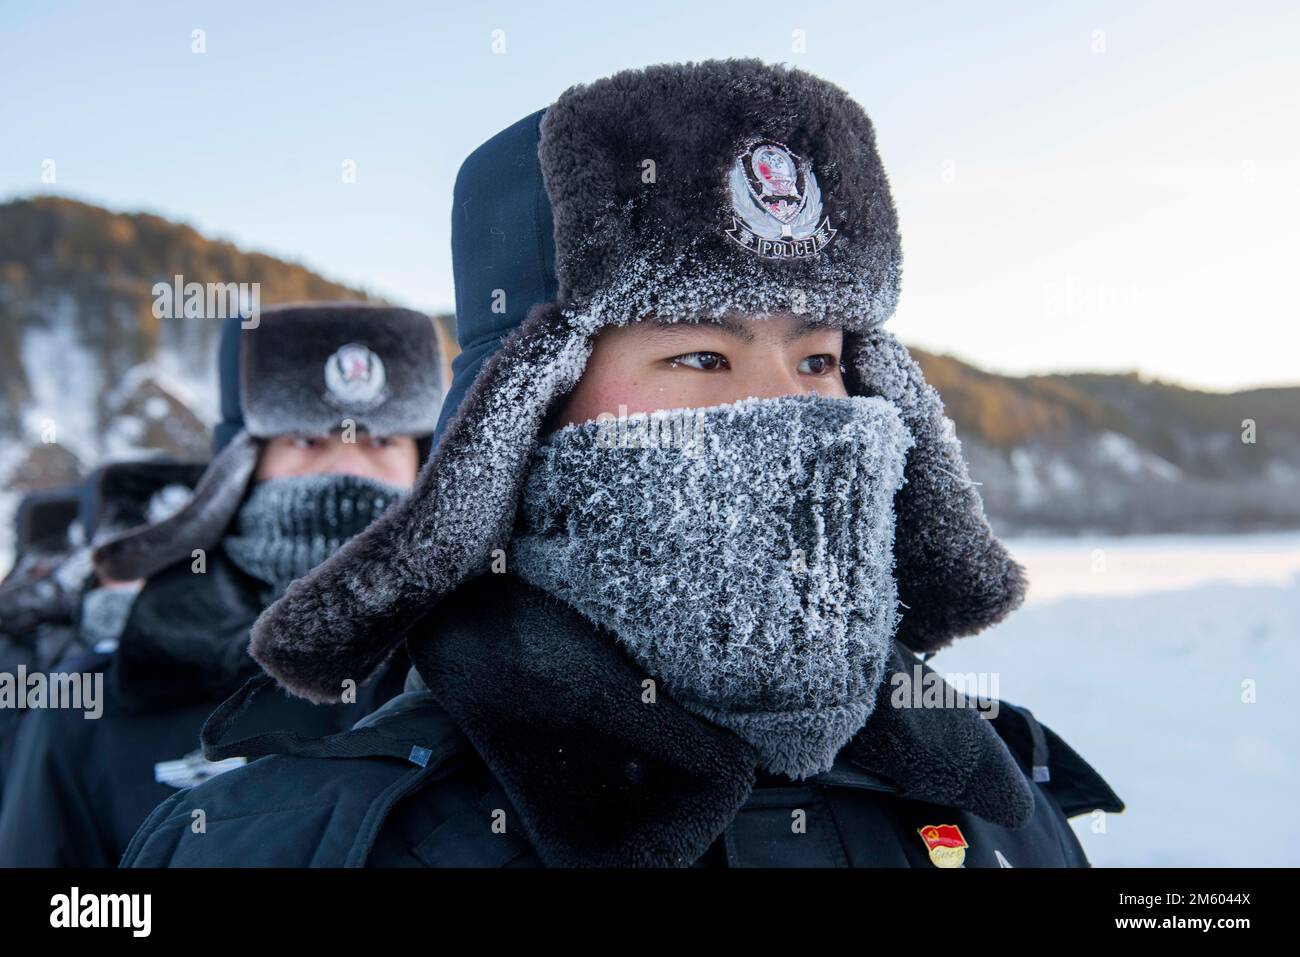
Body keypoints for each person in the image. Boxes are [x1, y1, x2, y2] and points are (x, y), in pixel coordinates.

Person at [124, 61, 1123, 868]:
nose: (787, 404)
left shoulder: (982, 782)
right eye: (701, 355)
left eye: (819, 358)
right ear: (523, 413)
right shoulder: (301, 833)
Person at [0, 301, 444, 866]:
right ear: (242, 467)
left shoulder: (479, 669)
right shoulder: (94, 708)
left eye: (382, 442)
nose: (349, 467)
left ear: (424, 462)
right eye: (306, 441)